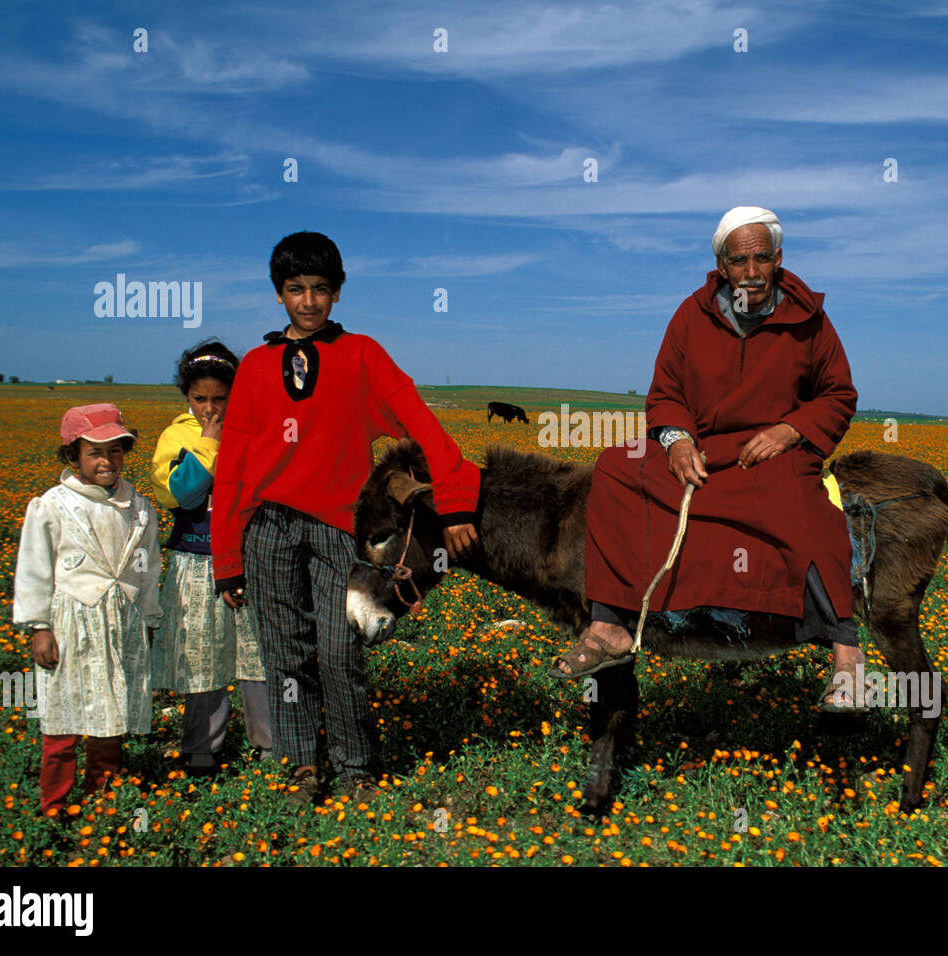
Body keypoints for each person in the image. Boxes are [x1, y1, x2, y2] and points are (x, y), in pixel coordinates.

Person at [551, 206, 864, 707]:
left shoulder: (809, 320)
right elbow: (666, 392)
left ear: (779, 258)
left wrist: (791, 429)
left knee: (807, 506)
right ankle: (609, 625)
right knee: (615, 465)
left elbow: (837, 395)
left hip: (770, 452)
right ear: (722, 265)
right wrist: (675, 439)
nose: (753, 272)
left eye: (763, 258)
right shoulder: (691, 315)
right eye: (740, 261)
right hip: (702, 449)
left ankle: (848, 658)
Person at [211, 231, 480, 806]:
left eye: (320, 290)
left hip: (340, 529)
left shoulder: (362, 355)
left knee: (340, 651)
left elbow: (419, 421)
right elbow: (232, 465)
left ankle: (357, 769)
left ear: (337, 293)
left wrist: (455, 497)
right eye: (295, 289)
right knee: (286, 654)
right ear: (278, 293)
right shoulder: (256, 367)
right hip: (267, 530)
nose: (308, 302)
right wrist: (227, 556)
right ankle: (302, 767)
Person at [13, 404, 161, 817]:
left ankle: (104, 796)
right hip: (71, 622)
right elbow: (34, 569)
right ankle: (54, 804)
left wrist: (149, 616)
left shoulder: (139, 508)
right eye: (95, 452)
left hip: (123, 620)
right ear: (72, 456)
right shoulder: (52, 506)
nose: (107, 461)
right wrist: (39, 627)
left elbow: (147, 567)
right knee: (63, 715)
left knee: (111, 713)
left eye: (116, 451)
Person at [150, 341, 271, 776]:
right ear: (187, 396)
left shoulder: (256, 427)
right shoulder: (177, 435)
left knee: (257, 655)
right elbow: (183, 493)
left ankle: (270, 747)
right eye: (200, 399)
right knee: (203, 657)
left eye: (220, 398)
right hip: (197, 561)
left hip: (250, 559)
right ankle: (202, 750)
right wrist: (209, 441)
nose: (209, 408)